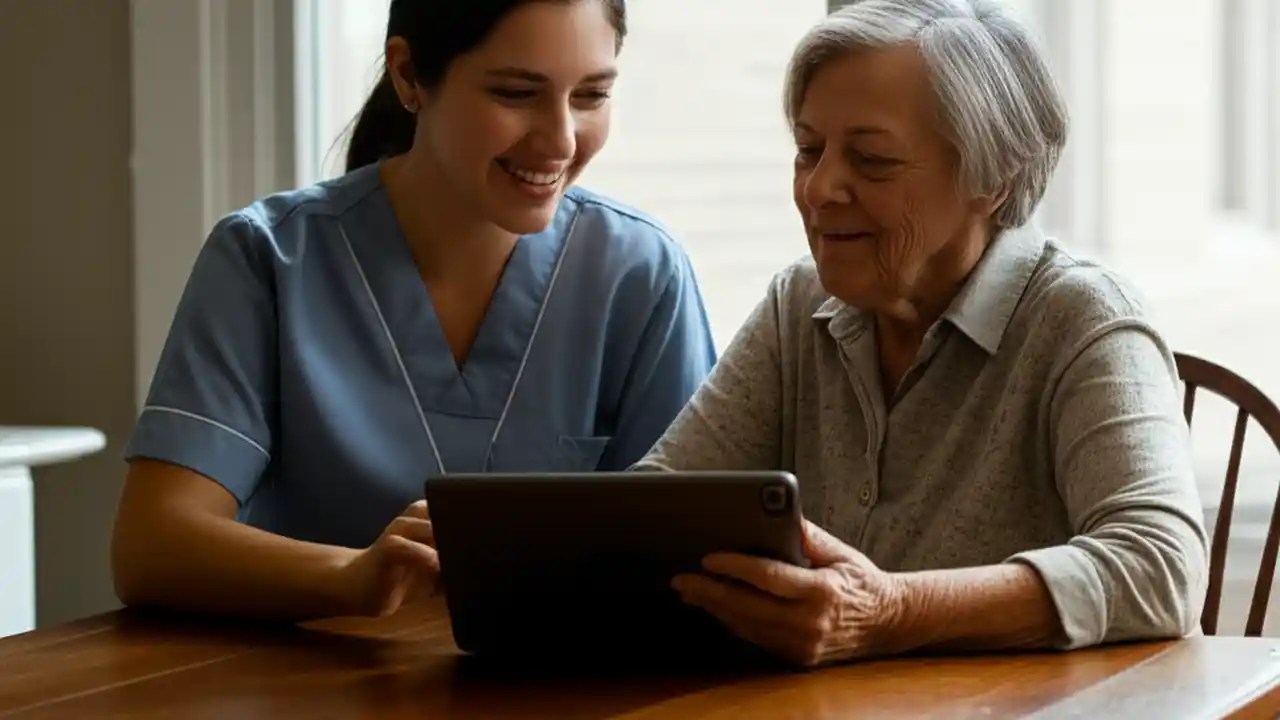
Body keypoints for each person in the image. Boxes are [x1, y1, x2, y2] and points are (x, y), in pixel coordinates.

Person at [641, 0, 1208, 667]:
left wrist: (891, 611)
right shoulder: (799, 303)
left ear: (992, 176)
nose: (820, 188)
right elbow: (655, 509)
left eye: (872, 160)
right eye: (807, 150)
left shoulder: (1083, 319)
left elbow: (1160, 566)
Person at [112, 0, 715, 622]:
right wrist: (351, 578)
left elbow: (702, 553)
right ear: (407, 75)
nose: (561, 139)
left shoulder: (640, 274)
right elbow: (153, 546)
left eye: (590, 97)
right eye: (515, 93)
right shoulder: (267, 258)